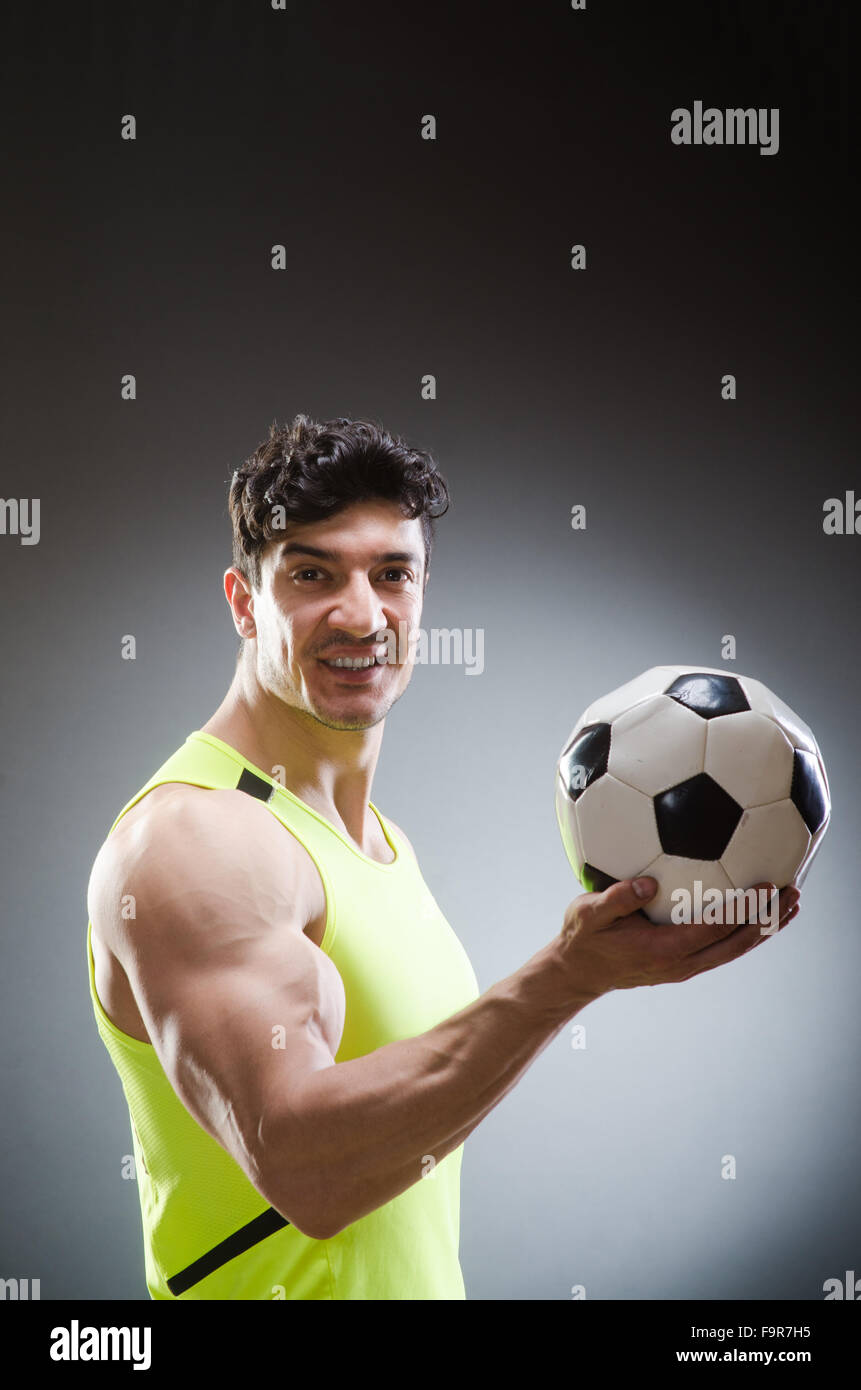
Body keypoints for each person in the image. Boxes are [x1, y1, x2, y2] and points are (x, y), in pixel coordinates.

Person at [85, 413, 801, 1300]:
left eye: (393, 574)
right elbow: (306, 1167)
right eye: (312, 574)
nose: (361, 613)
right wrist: (565, 978)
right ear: (244, 601)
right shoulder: (196, 840)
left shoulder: (378, 843)